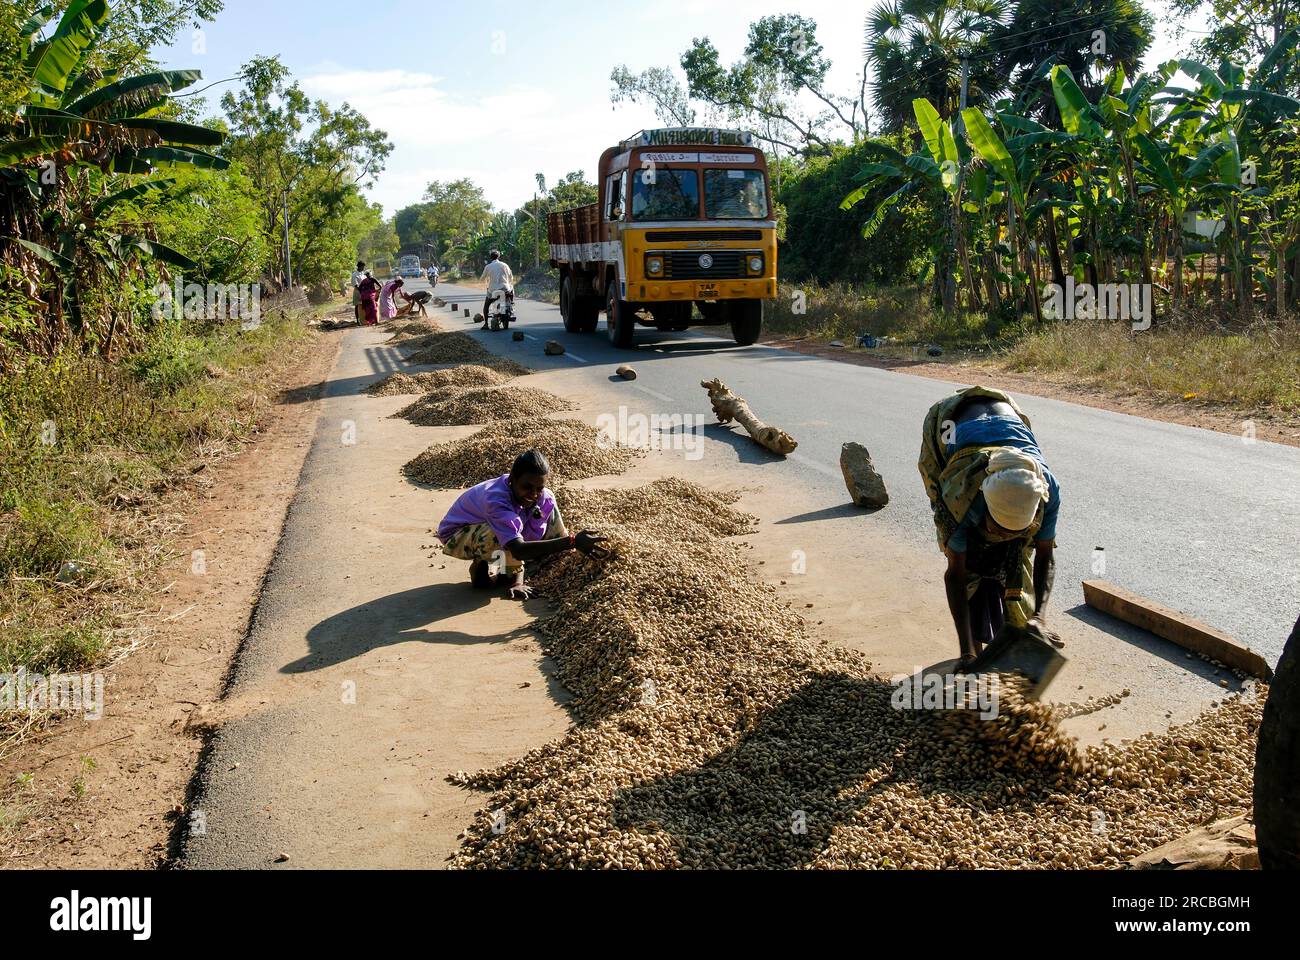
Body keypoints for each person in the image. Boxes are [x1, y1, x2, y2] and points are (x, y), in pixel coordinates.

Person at [918, 386, 1062, 669]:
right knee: (968, 557)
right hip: (949, 424)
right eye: (998, 529)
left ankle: (1021, 630)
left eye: (1013, 532)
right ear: (984, 506)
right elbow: (955, 575)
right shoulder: (961, 499)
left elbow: (1045, 554)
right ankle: (976, 642)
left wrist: (1039, 617)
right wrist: (967, 652)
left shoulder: (1045, 490)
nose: (1003, 537)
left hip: (1008, 414)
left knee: (1018, 557)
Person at [437, 450, 607, 600]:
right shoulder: (496, 500)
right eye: (527, 487)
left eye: (539, 488)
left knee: (548, 513)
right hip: (459, 535)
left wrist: (570, 544)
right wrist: (517, 583)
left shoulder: (543, 496)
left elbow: (555, 536)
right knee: (498, 535)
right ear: (512, 479)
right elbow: (517, 548)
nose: (533, 494)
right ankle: (482, 565)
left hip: (503, 530)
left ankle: (505, 569)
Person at [481, 250, 514, 328]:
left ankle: (486, 324)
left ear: (491, 257)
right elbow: (511, 277)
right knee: (511, 288)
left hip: (493, 290)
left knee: (486, 306)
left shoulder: (488, 266)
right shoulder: (505, 265)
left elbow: (482, 278)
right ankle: (511, 303)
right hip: (505, 289)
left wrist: (485, 280)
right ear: (499, 257)